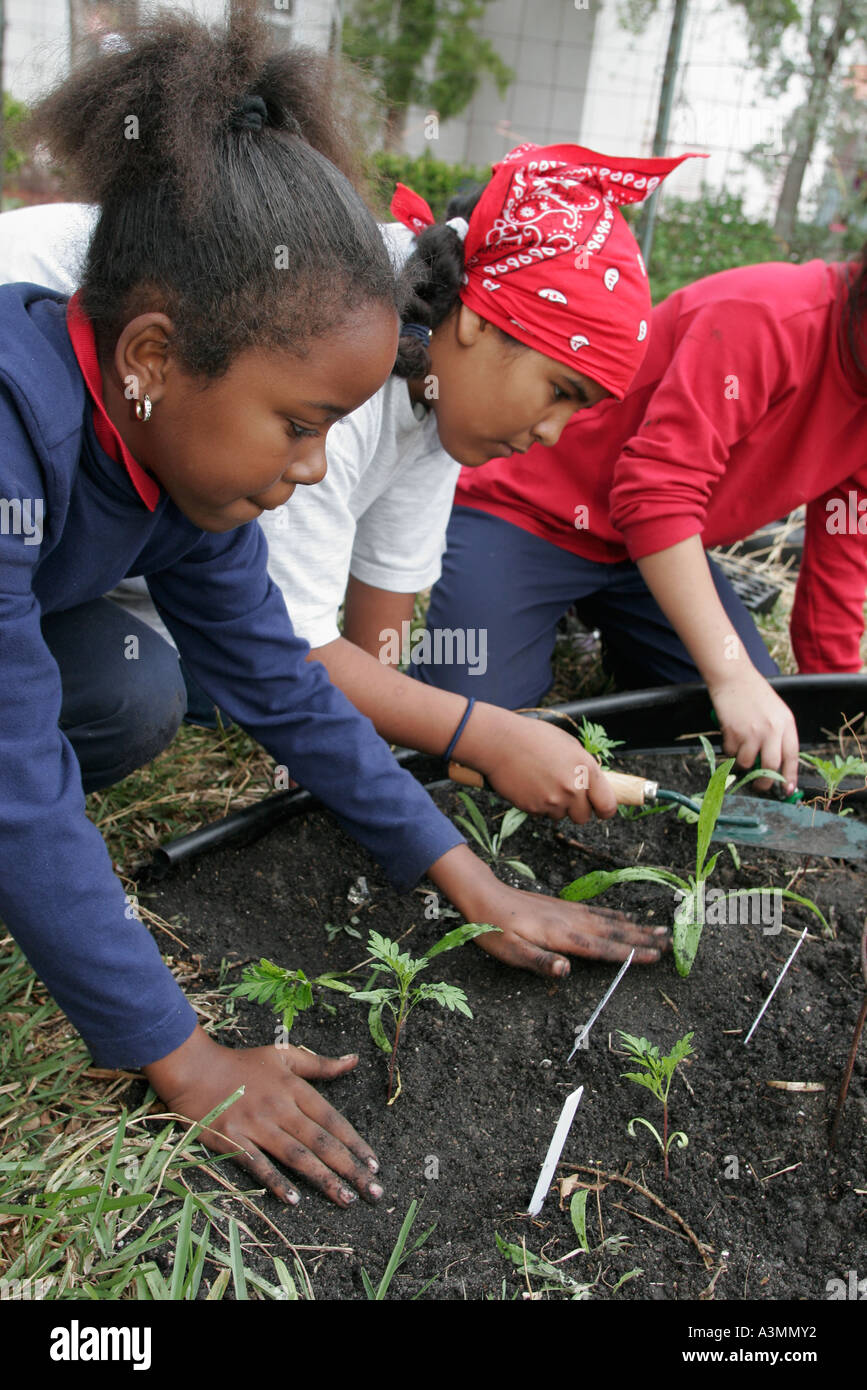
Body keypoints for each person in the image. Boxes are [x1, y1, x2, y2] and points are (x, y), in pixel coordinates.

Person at [0, 11, 665, 1208]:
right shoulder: (13, 429)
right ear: (153, 353)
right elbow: (16, 785)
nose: (315, 469)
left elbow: (284, 682)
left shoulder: (171, 473)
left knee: (114, 685)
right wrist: (189, 1057)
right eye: (299, 423)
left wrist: (469, 879)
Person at [0, 142, 697, 826]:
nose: (553, 431)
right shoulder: (332, 343)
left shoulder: (436, 382)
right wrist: (479, 734)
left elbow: (376, 621)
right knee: (186, 683)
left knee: (219, 677)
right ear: (481, 323)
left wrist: (371, 764)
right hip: (43, 489)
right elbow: (289, 646)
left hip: (94, 538)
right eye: (558, 391)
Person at [418, 247, 867, 794]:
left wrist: (842, 724)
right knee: (475, 729)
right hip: (530, 513)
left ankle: (617, 630)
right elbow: (656, 493)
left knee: (759, 739)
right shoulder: (768, 315)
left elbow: (840, 562)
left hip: (650, 554)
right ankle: (549, 612)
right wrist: (731, 675)